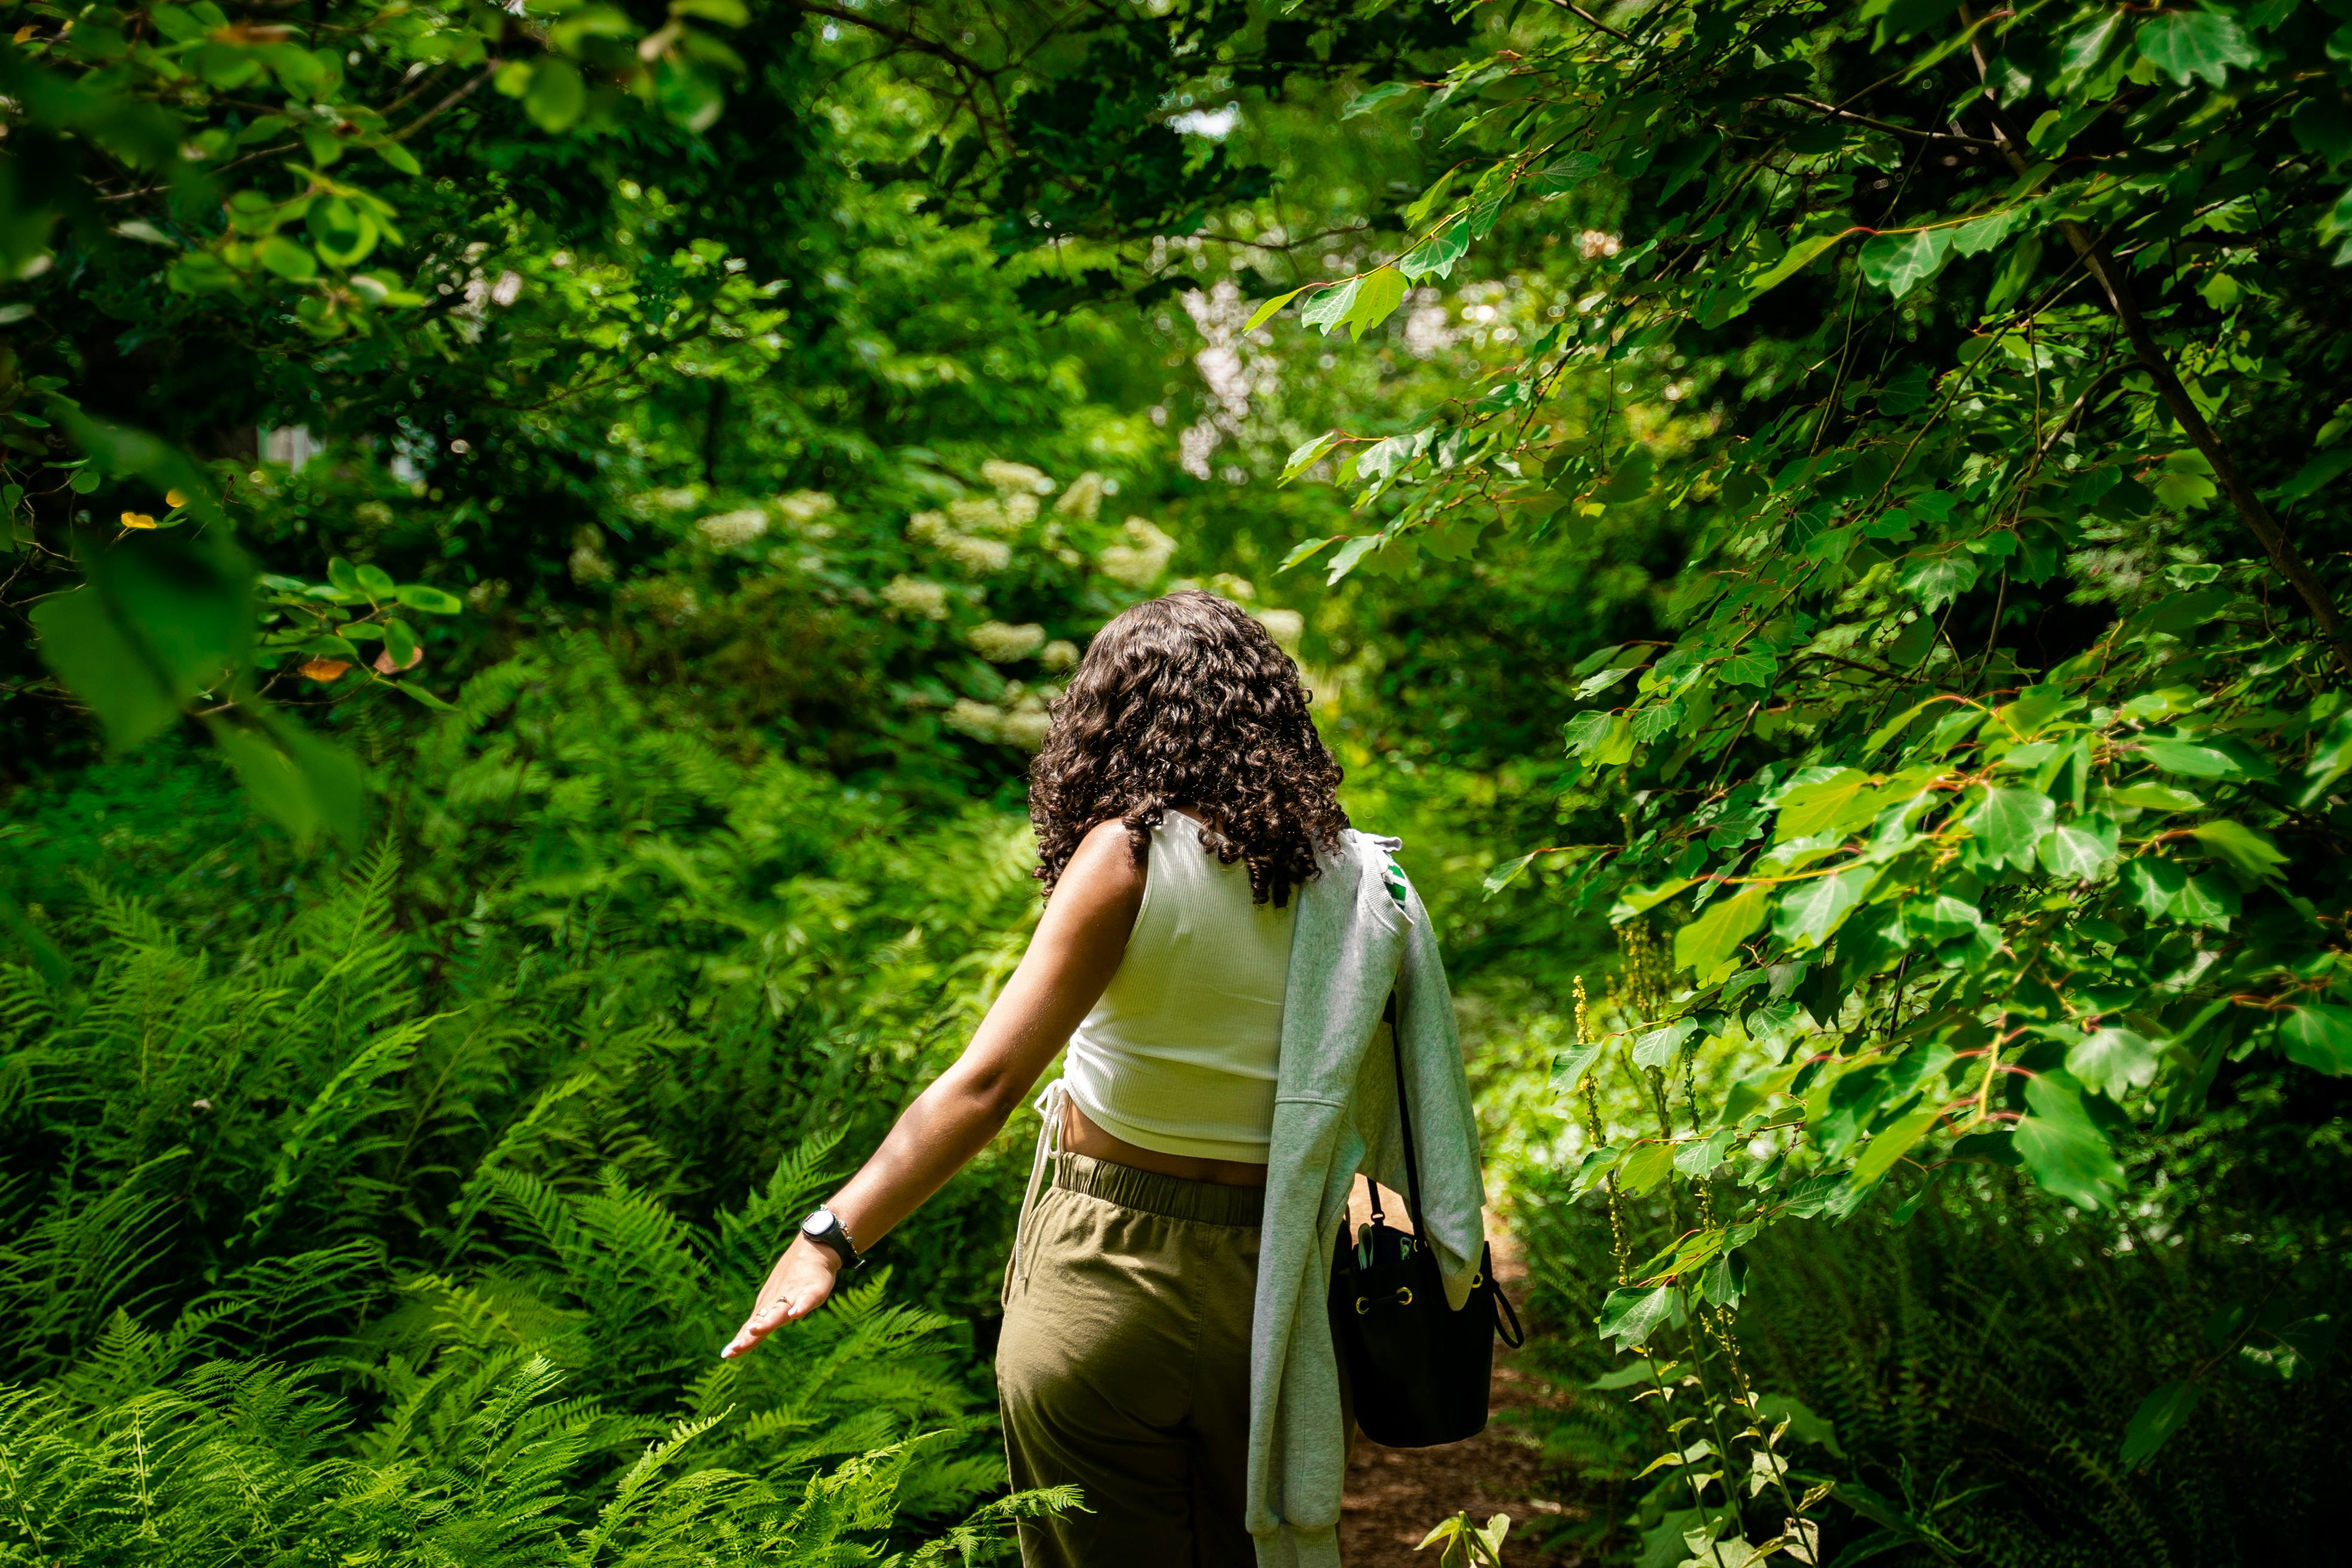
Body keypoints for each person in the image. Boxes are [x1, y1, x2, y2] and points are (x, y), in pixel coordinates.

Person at [724, 590, 1487, 1568]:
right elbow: (1405, 1119)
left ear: (1111, 721)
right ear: (1275, 717)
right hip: (1276, 1297)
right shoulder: (1369, 889)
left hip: (1101, 1280)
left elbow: (986, 1086)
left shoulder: (1128, 855)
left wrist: (828, 1238)